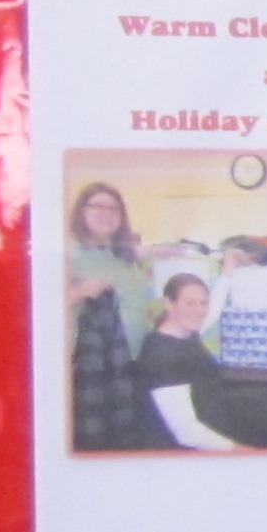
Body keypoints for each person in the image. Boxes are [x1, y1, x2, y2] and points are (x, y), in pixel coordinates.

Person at [65, 182, 157, 452]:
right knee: (97, 442)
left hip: (131, 363)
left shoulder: (122, 259)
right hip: (94, 365)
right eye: (97, 206)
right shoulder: (70, 253)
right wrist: (81, 290)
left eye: (113, 208)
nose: (107, 213)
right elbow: (39, 306)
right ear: (81, 212)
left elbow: (135, 303)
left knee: (125, 439)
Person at [132, 274, 245, 452]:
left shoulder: (186, 333)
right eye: (190, 303)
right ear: (168, 304)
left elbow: (210, 314)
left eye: (203, 303)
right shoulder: (163, 356)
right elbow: (187, 432)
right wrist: (241, 451)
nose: (200, 310)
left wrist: (227, 274)